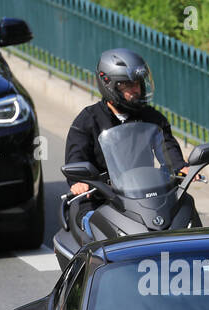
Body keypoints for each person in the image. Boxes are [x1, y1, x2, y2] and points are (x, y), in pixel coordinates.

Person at [65, 49, 186, 200]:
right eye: (127, 85)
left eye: (138, 83)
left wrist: (180, 167)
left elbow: (167, 146)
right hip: (101, 196)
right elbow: (77, 156)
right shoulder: (88, 120)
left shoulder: (152, 118)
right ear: (109, 84)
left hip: (146, 194)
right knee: (85, 218)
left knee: (185, 206)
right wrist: (79, 182)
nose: (136, 89)